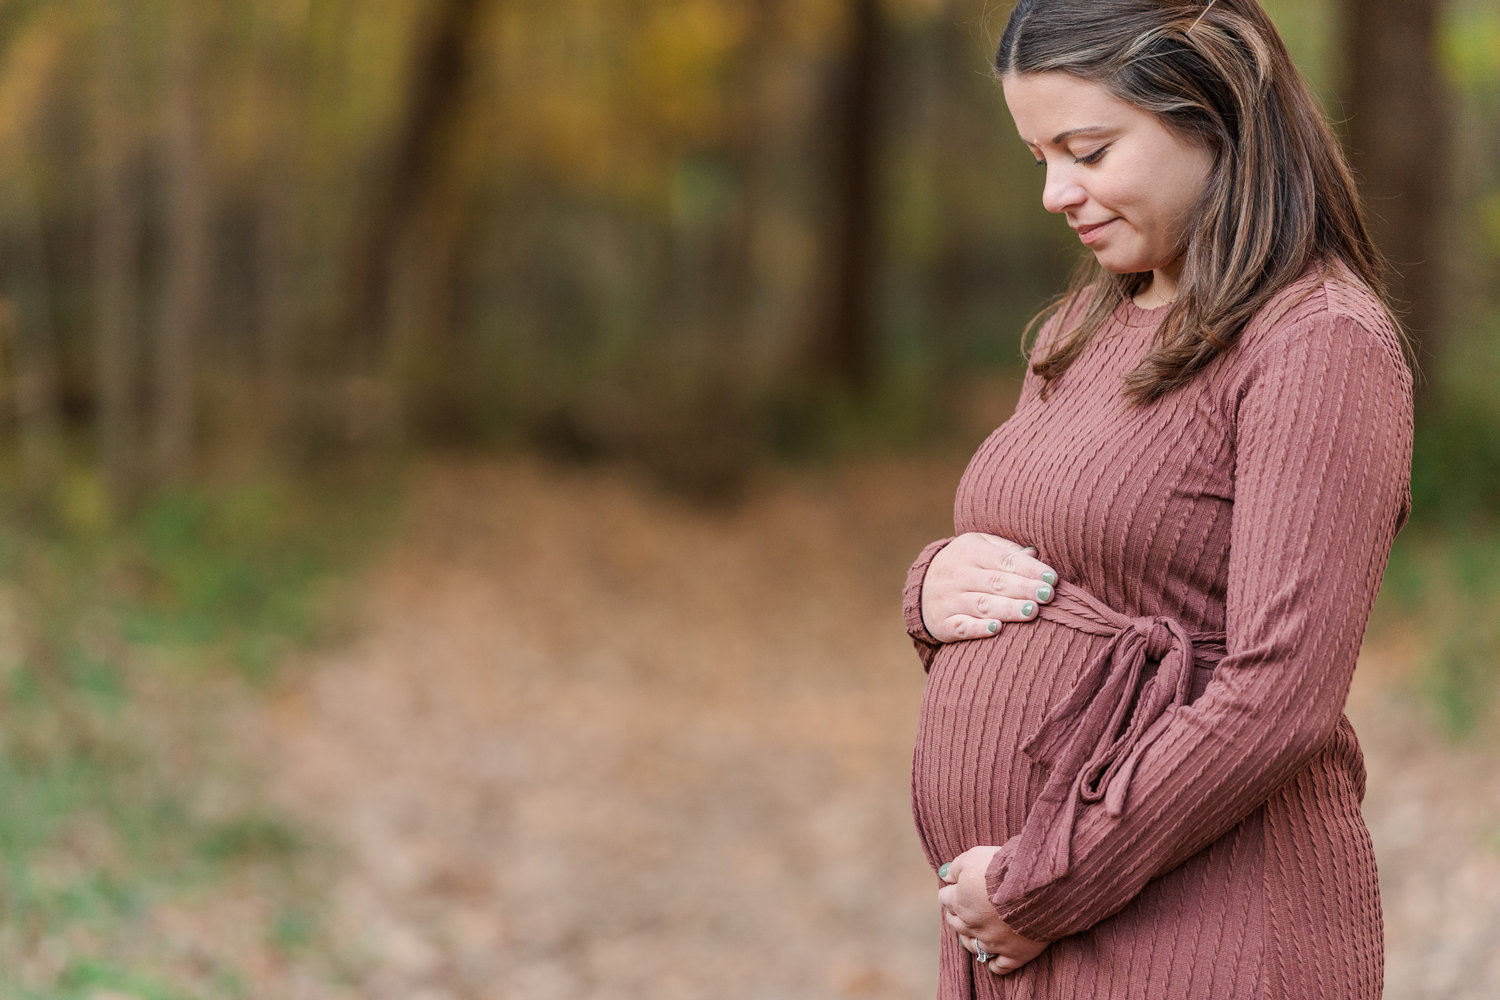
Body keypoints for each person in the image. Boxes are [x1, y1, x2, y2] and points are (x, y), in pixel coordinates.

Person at [900, 1, 1413, 997]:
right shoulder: (1082, 326)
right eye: (1039, 155)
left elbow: (1279, 691)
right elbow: (1055, 563)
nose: (1056, 191)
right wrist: (932, 588)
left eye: (1088, 150)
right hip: (1035, 928)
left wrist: (1043, 878)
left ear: (1213, 107)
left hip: (1199, 926)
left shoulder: (1318, 342)